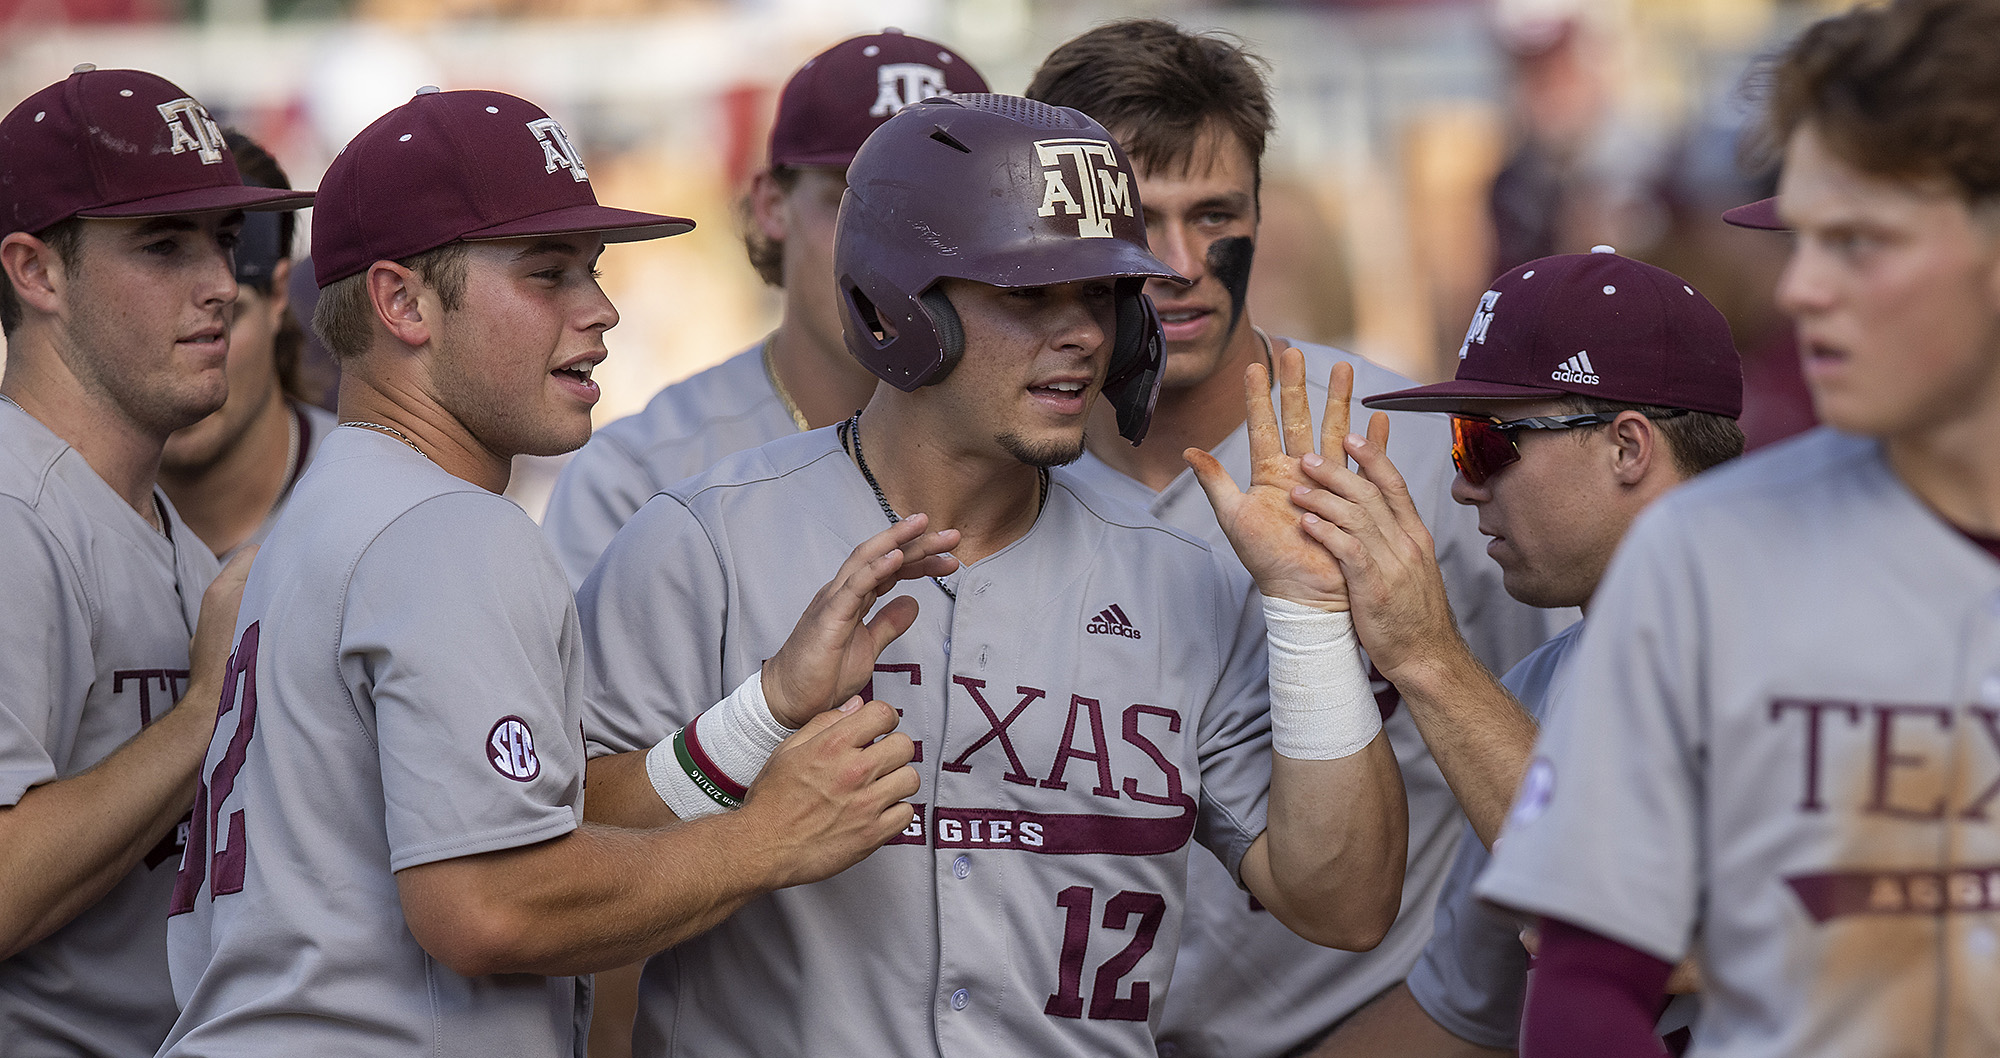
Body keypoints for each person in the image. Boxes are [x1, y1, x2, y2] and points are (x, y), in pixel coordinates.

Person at [576, 93, 1408, 1058]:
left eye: (1099, 295)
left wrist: (1309, 614)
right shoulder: (705, 543)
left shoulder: (1179, 575)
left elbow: (1343, 904)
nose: (1083, 334)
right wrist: (751, 732)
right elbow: (566, 859)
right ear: (896, 304)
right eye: (1028, 295)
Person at [160, 86, 932, 1055]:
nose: (601, 310)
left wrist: (766, 710)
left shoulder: (343, 500)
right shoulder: (443, 529)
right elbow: (487, 903)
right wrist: (765, 839)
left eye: (591, 270)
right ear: (402, 302)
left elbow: (537, 826)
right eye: (547, 273)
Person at [1025, 22, 1561, 1056]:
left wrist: (1459, 1019)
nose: (1180, 264)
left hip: (1377, 1024)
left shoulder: (1415, 453)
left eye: (1214, 214)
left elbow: (1555, 768)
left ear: (1260, 213)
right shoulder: (994, 469)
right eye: (1136, 221)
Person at [1477, 1, 2000, 1053]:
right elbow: (1582, 985)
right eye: (1799, 238)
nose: (1800, 288)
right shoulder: (1699, 552)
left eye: (1858, 242)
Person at [1288, 248, 1743, 1057]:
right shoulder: (1528, 692)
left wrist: (1425, 651)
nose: (1463, 483)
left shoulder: (1820, 638)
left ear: (1628, 447)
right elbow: (1456, 1019)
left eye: (1485, 442)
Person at [0, 66, 310, 1056]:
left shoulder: (149, 519)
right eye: (164, 244)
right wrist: (206, 711)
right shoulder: (14, 515)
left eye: (223, 239)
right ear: (37, 272)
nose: (219, 282)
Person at [542, 28, 988, 587]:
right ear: (773, 205)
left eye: (948, 210)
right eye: (860, 203)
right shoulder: (641, 474)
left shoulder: (1043, 443)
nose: (903, 247)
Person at [159, 129, 336, 560]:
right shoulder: (56, 506)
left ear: (278, 295)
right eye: (155, 321)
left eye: (222, 317)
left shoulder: (371, 498)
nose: (189, 355)